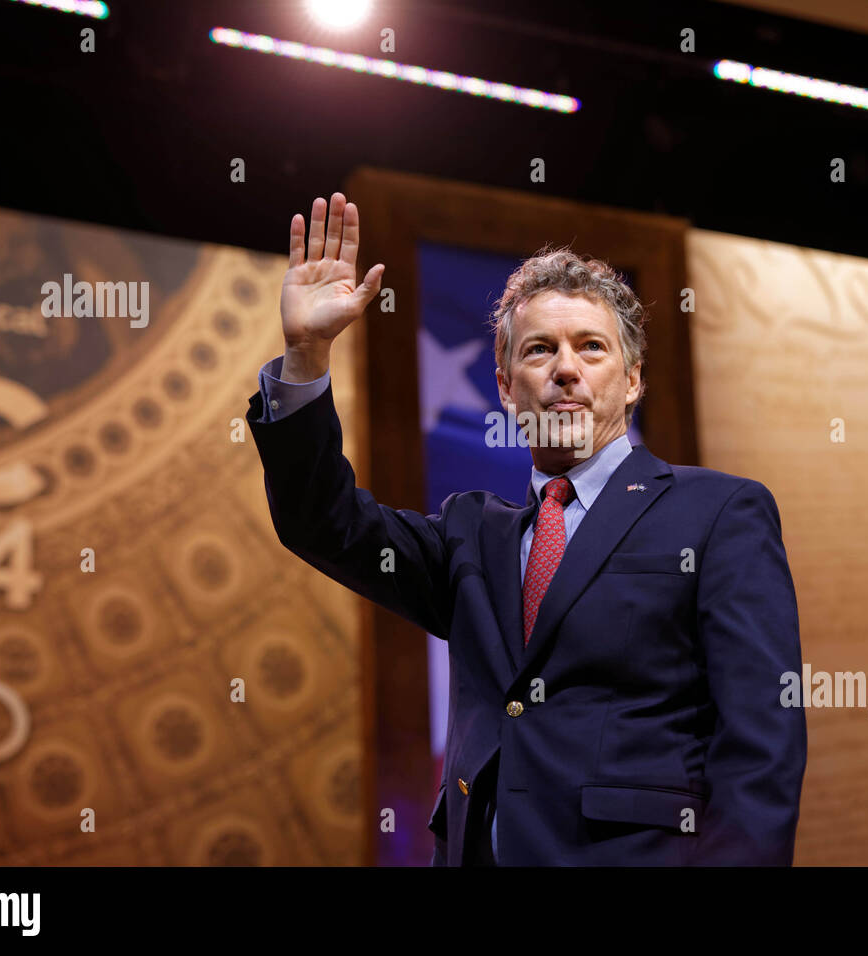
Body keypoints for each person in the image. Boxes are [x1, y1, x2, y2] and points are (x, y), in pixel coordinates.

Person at [247, 192, 807, 865]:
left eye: (591, 348)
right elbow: (320, 520)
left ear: (632, 381)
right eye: (540, 350)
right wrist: (305, 355)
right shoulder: (468, 536)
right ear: (507, 388)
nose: (565, 368)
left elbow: (762, 743)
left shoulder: (719, 513)